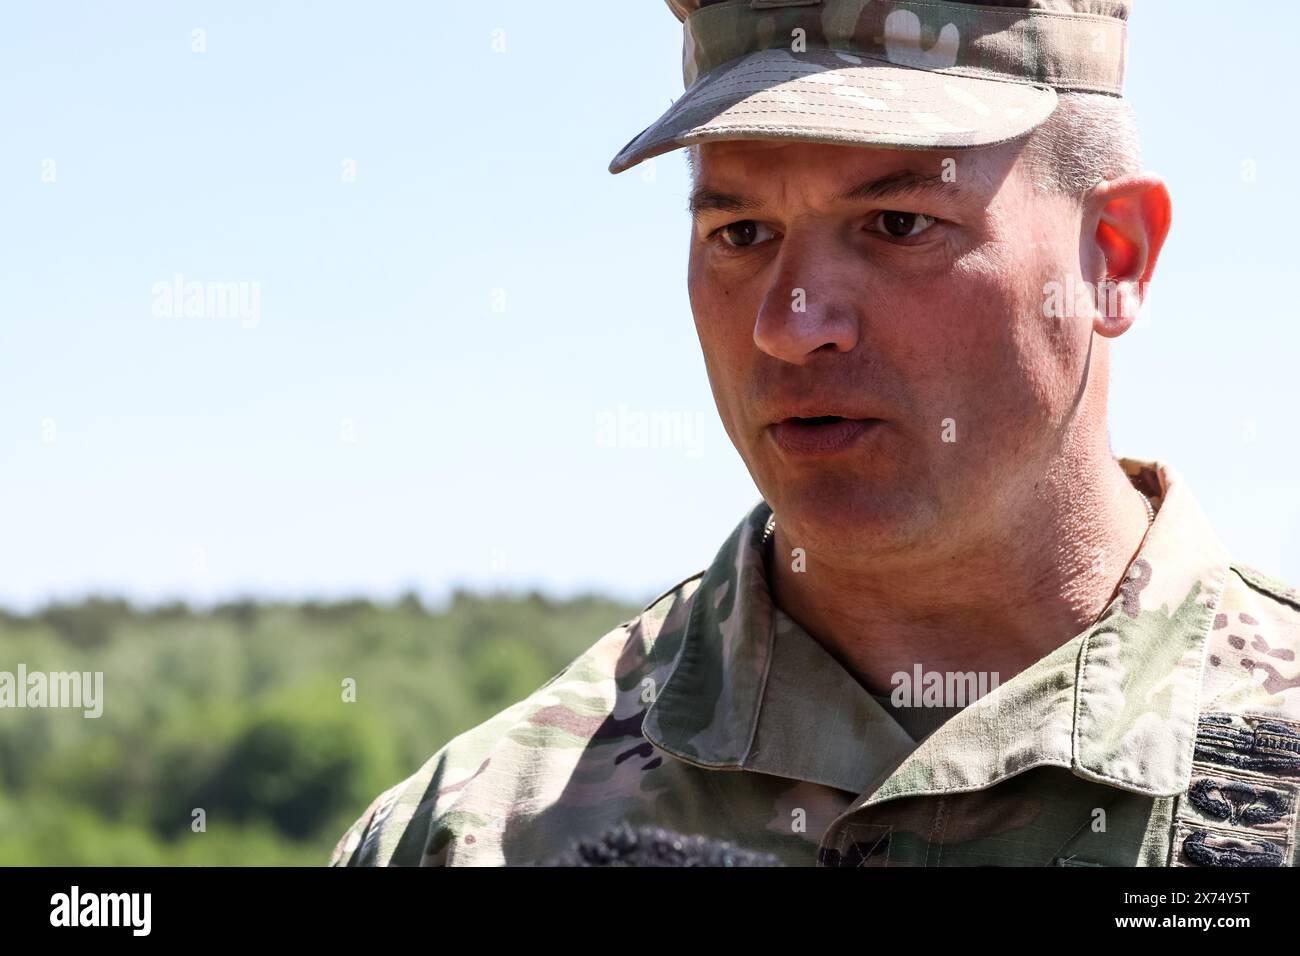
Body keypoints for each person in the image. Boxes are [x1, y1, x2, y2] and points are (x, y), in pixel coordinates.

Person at [331, 0, 1300, 867]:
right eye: (740, 234)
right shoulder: (475, 834)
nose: (790, 324)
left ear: (1112, 254)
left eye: (895, 221)